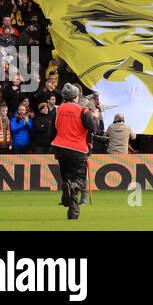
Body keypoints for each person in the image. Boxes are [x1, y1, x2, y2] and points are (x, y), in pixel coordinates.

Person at [51, 82, 99, 220]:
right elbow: (93, 127)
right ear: (76, 97)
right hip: (78, 150)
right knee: (79, 181)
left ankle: (73, 213)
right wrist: (94, 115)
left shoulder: (57, 110)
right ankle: (71, 188)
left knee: (67, 180)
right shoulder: (83, 111)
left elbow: (51, 132)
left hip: (60, 150)